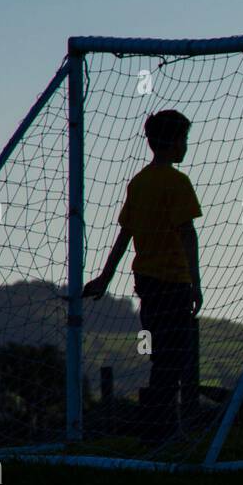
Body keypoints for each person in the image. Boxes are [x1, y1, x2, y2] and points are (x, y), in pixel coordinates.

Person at [83, 110, 203, 445]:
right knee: (173, 359)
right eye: (184, 140)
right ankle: (160, 431)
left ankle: (159, 429)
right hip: (174, 283)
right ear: (175, 142)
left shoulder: (138, 183)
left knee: (162, 357)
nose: (185, 146)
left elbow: (124, 235)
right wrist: (196, 283)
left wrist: (105, 277)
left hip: (147, 285)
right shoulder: (177, 183)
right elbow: (187, 233)